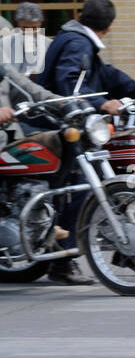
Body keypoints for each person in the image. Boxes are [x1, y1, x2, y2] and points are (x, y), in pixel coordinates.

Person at [36, 0, 135, 284]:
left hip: (70, 124)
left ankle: (121, 250)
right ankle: (62, 261)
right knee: (81, 188)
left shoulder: (78, 40)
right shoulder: (77, 43)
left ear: (82, 14)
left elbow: (108, 75)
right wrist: (102, 104)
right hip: (57, 126)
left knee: (104, 175)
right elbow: (69, 83)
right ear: (109, 27)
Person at [0, 62, 93, 285]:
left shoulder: (2, 68)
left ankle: (50, 232)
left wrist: (64, 103)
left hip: (7, 143)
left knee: (58, 164)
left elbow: (31, 90)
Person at [0, 2, 45, 77]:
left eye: (34, 28)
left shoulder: (49, 45)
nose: (29, 32)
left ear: (40, 24)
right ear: (18, 25)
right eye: (25, 28)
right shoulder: (3, 44)